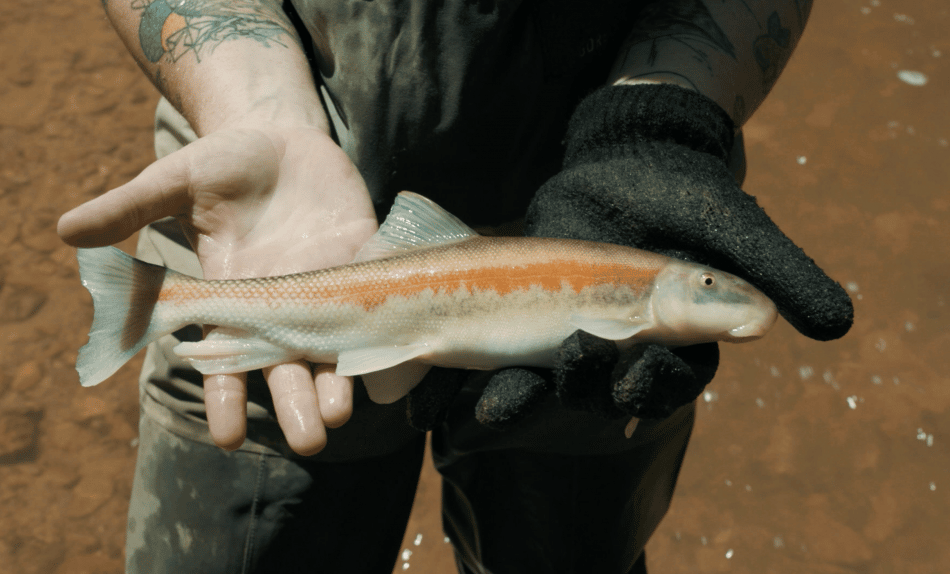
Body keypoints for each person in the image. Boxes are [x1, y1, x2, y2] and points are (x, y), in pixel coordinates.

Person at [58, 0, 852, 572]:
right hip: (274, 212)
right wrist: (256, 103)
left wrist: (660, 122)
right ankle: (164, 301)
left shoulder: (637, 274)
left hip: (614, 202)